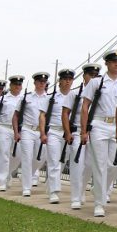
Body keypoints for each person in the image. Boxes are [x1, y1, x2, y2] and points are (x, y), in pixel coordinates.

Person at [81, 50, 117, 217]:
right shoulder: (96, 83)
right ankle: (99, 203)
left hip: (116, 126)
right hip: (99, 125)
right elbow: (85, 105)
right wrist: (84, 130)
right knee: (100, 165)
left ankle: (99, 187)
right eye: (113, 61)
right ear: (106, 63)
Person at [62, 63, 99, 209]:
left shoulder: (100, 93)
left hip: (94, 132)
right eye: (90, 75)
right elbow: (65, 113)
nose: (93, 78)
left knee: (90, 164)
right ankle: (75, 197)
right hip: (77, 132)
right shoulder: (75, 93)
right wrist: (67, 132)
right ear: (84, 76)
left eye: (95, 75)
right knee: (77, 165)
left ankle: (82, 189)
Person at [13, 72, 50, 196]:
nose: (41, 83)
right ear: (35, 82)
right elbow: (15, 116)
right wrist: (16, 132)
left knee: (40, 158)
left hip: (42, 132)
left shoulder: (50, 98)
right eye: (39, 81)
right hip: (27, 130)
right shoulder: (26, 98)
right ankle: (26, 187)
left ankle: (26, 175)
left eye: (44, 82)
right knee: (27, 157)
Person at [41, 69, 75, 204]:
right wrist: (43, 133)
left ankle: (50, 184)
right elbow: (42, 115)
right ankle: (54, 192)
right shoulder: (51, 98)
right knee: (54, 161)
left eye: (70, 79)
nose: (67, 81)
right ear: (59, 81)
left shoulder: (75, 96)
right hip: (54, 132)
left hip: (69, 133)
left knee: (62, 162)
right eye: (65, 79)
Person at [0, 76, 25, 191]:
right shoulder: (2, 99)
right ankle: (2, 181)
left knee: (18, 155)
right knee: (4, 154)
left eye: (19, 84)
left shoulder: (24, 98)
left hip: (19, 130)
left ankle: (8, 173)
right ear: (10, 86)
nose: (17, 86)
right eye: (15, 84)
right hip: (4, 128)